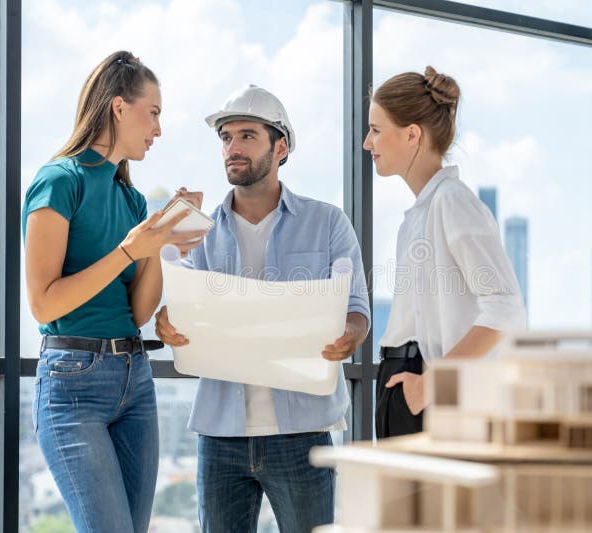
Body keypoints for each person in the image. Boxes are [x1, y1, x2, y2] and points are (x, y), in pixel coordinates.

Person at [154, 84, 371, 533]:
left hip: (303, 433)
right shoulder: (200, 233)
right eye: (226, 137)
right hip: (221, 435)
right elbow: (175, 306)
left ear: (281, 147)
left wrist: (350, 333)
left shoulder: (327, 222)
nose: (233, 147)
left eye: (247, 136)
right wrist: (167, 322)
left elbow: (356, 308)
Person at [22, 51, 205, 533]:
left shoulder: (132, 199)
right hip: (72, 384)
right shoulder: (59, 181)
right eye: (155, 112)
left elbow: (139, 310)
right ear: (119, 108)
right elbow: (43, 302)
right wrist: (128, 251)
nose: (159, 129)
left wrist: (163, 242)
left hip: (135, 379)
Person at [364, 66, 527, 439]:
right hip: (405, 384)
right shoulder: (422, 211)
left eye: (375, 130)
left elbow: (506, 307)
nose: (367, 143)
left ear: (412, 135)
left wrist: (428, 385)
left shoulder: (452, 202)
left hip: (423, 389)